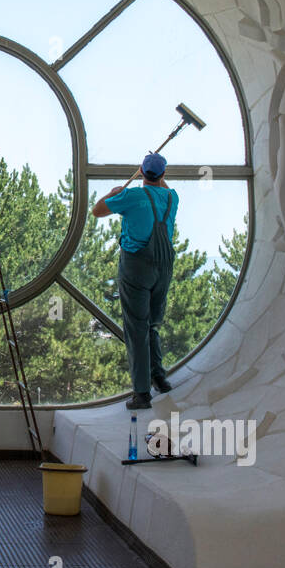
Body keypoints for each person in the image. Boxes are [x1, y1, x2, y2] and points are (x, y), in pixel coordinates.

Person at [92, 152, 179, 409]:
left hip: (136, 268)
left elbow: (97, 211)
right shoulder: (172, 197)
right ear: (163, 175)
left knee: (136, 328)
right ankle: (159, 378)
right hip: (163, 267)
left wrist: (112, 192)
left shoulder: (131, 197)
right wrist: (151, 173)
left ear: (141, 173)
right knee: (152, 324)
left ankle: (141, 394)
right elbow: (160, 186)